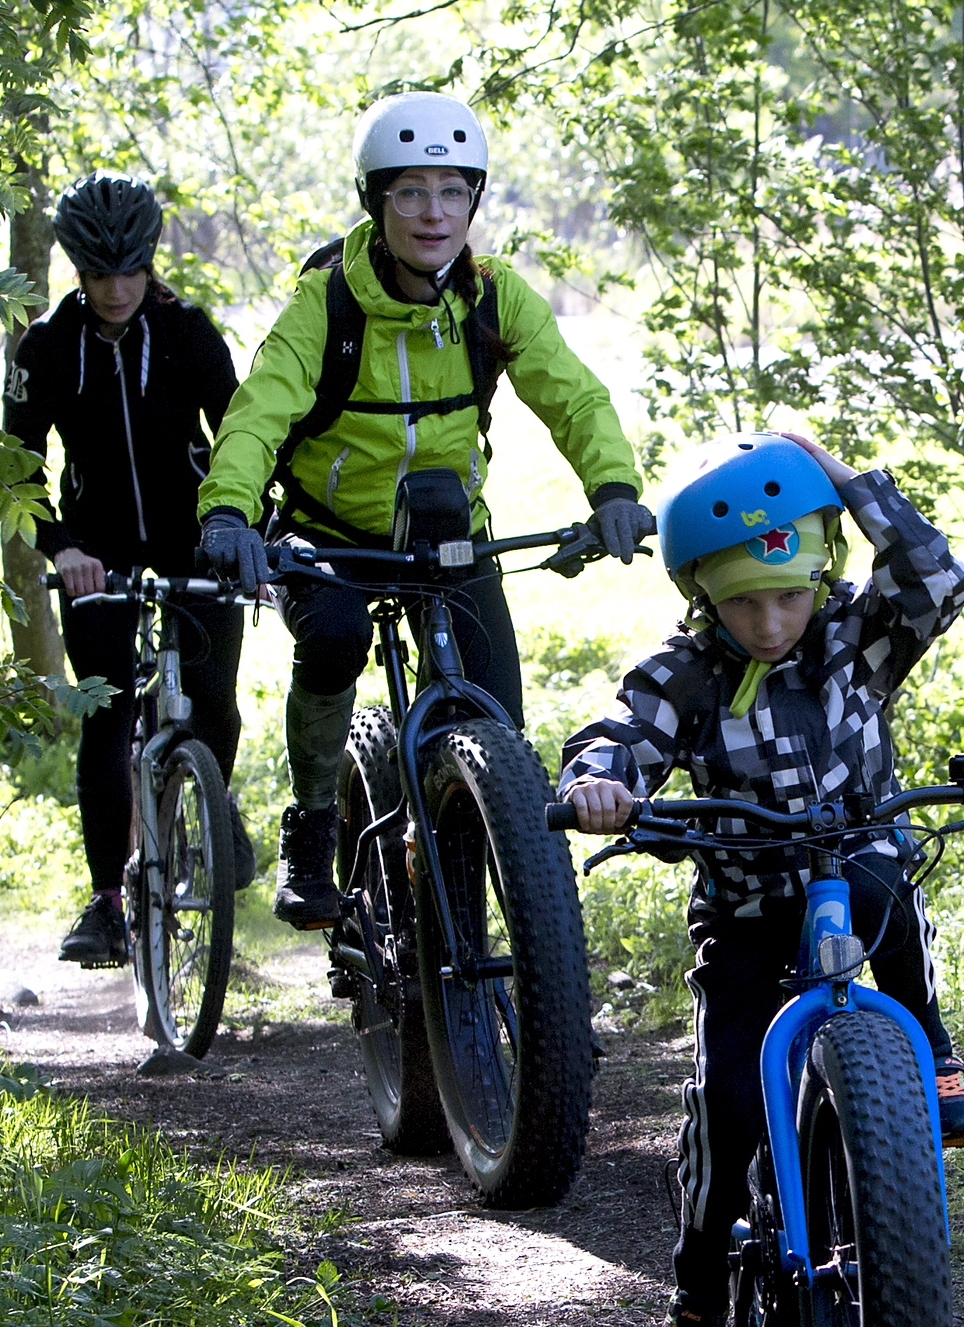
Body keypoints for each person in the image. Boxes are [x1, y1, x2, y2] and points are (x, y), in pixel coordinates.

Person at [550, 426, 964, 1327]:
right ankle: (698, 1298)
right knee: (730, 1107)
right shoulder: (690, 672)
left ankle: (937, 1054)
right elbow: (620, 737)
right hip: (747, 914)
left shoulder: (853, 637)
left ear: (823, 568)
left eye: (789, 593)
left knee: (888, 878)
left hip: (852, 872)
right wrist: (599, 786)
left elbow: (936, 573)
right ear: (704, 591)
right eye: (744, 599)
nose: (771, 619)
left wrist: (837, 475)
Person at [193, 92, 656, 925]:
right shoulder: (325, 305)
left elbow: (574, 397)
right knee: (332, 642)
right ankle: (312, 827)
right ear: (377, 201)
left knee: (502, 736)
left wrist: (613, 490)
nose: (432, 213)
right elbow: (257, 412)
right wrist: (228, 512)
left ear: (474, 200)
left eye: (451, 191)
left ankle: (528, 964)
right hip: (328, 538)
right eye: (410, 191)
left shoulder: (494, 297)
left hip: (449, 539)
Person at [6, 174, 243, 969]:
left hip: (195, 544)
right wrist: (59, 546)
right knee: (107, 717)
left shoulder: (189, 334)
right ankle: (107, 900)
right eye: (99, 274)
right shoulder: (45, 347)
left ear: (149, 263)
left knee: (215, 701)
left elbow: (246, 437)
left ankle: (209, 813)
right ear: (77, 268)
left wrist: (246, 535)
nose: (115, 290)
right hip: (93, 557)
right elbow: (13, 465)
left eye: (129, 272)